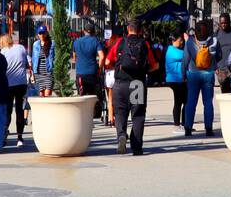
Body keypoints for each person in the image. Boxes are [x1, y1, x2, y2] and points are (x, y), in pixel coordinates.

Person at [105, 17, 159, 156]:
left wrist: (117, 68)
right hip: (138, 84)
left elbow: (107, 61)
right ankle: (137, 147)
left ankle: (121, 135)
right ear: (140, 30)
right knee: (138, 115)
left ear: (128, 29)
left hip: (120, 84)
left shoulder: (120, 43)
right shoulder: (145, 44)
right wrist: (144, 70)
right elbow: (155, 66)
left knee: (120, 112)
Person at [183, 19, 218, 137]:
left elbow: (185, 60)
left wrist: (183, 74)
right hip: (208, 74)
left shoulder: (190, 42)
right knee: (208, 102)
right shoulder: (214, 40)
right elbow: (220, 56)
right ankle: (208, 128)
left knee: (191, 102)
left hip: (193, 74)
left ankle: (188, 127)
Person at [1, 34, 30, 145]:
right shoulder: (21, 48)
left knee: (7, 111)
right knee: (19, 110)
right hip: (21, 83)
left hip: (8, 84)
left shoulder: (3, 51)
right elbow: (27, 63)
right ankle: (20, 137)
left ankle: (4, 134)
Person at [72, 20, 104, 118]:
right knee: (95, 94)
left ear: (84, 31)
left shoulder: (76, 42)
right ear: (93, 32)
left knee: (82, 94)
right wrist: (99, 68)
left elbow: (74, 58)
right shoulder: (96, 41)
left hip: (80, 72)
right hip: (92, 72)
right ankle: (95, 113)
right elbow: (102, 56)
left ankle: (83, 114)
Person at [213, 13, 231, 93]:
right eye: (221, 23)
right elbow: (213, 51)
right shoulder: (216, 34)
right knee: (225, 93)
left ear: (229, 22)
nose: (223, 25)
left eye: (225, 23)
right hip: (221, 70)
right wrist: (215, 67)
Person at [165, 32, 187, 124]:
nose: (182, 42)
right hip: (176, 80)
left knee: (183, 101)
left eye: (182, 40)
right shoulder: (172, 51)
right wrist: (188, 41)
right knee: (180, 102)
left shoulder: (173, 50)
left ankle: (183, 123)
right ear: (174, 40)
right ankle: (179, 123)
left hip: (179, 80)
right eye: (180, 40)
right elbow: (187, 55)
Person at [30, 25, 54, 97]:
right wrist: (32, 74)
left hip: (48, 72)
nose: (42, 35)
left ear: (46, 33)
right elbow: (33, 59)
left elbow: (55, 57)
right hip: (38, 73)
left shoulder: (52, 43)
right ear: (38, 34)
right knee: (40, 96)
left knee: (47, 96)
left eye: (43, 33)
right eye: (40, 33)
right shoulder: (35, 44)